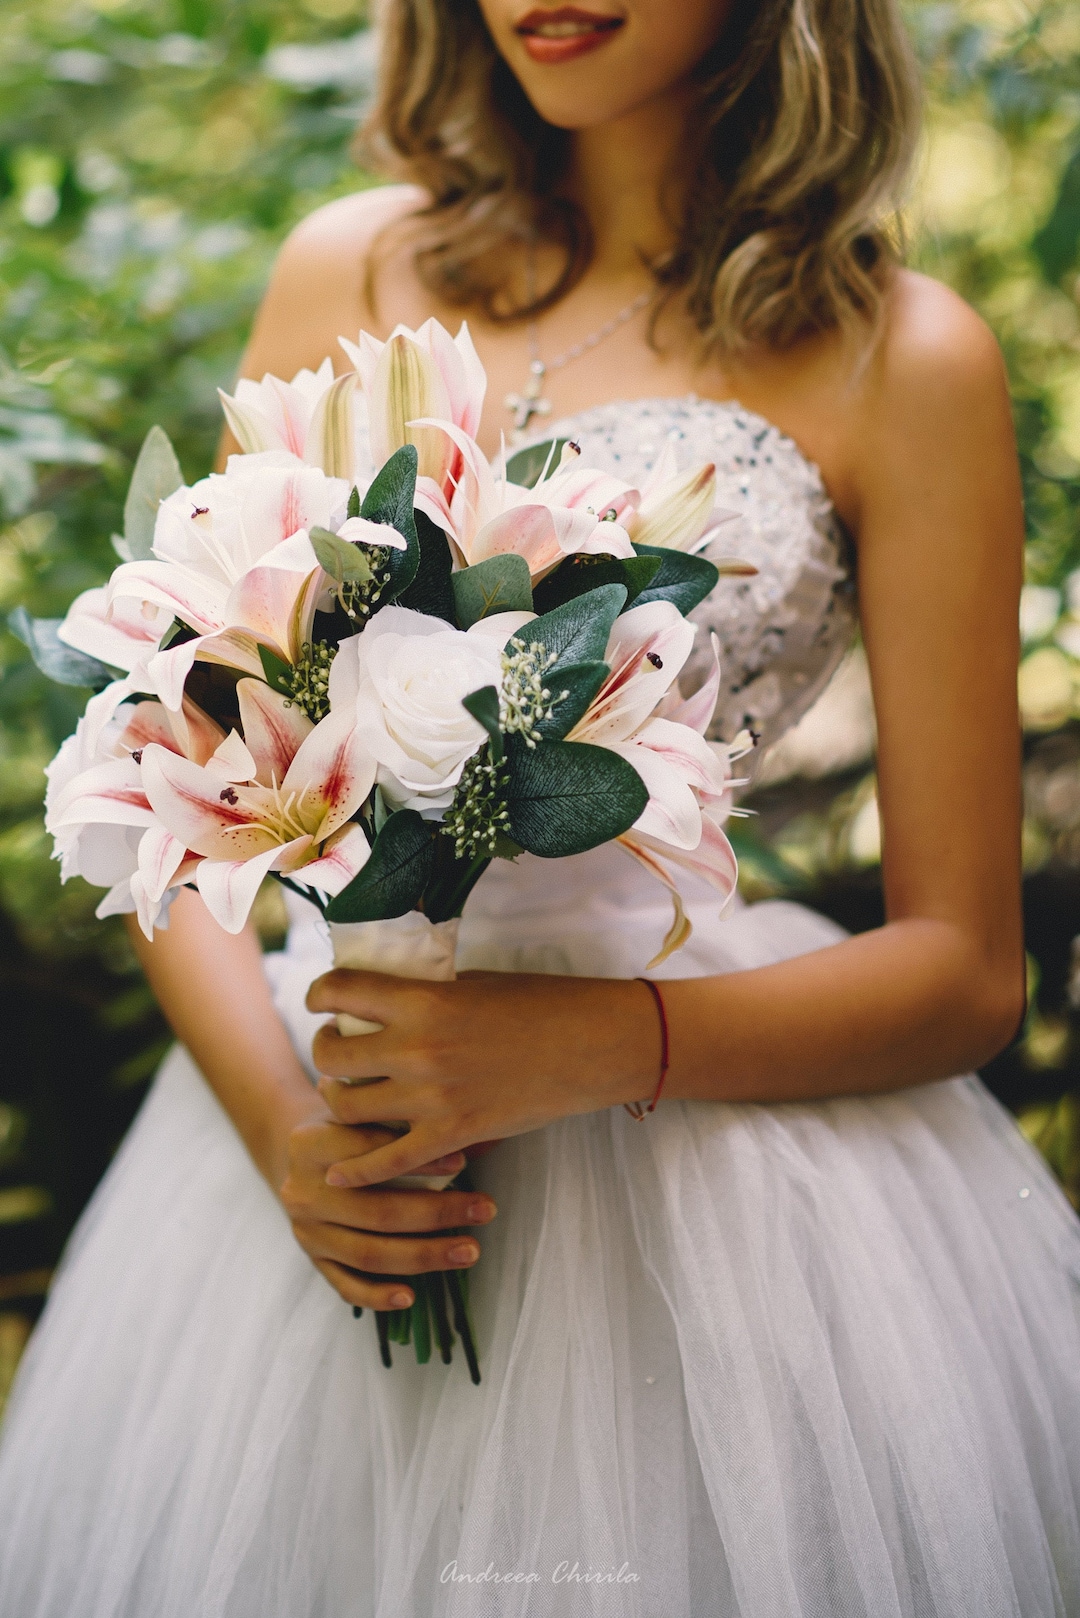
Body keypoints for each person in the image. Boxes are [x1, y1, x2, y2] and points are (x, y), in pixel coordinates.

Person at [2, 1, 1079, 1613]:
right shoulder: (346, 273)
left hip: (726, 1198)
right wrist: (291, 1132)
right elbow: (183, 777)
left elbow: (965, 969)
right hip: (321, 1130)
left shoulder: (900, 355)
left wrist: (588, 1045)